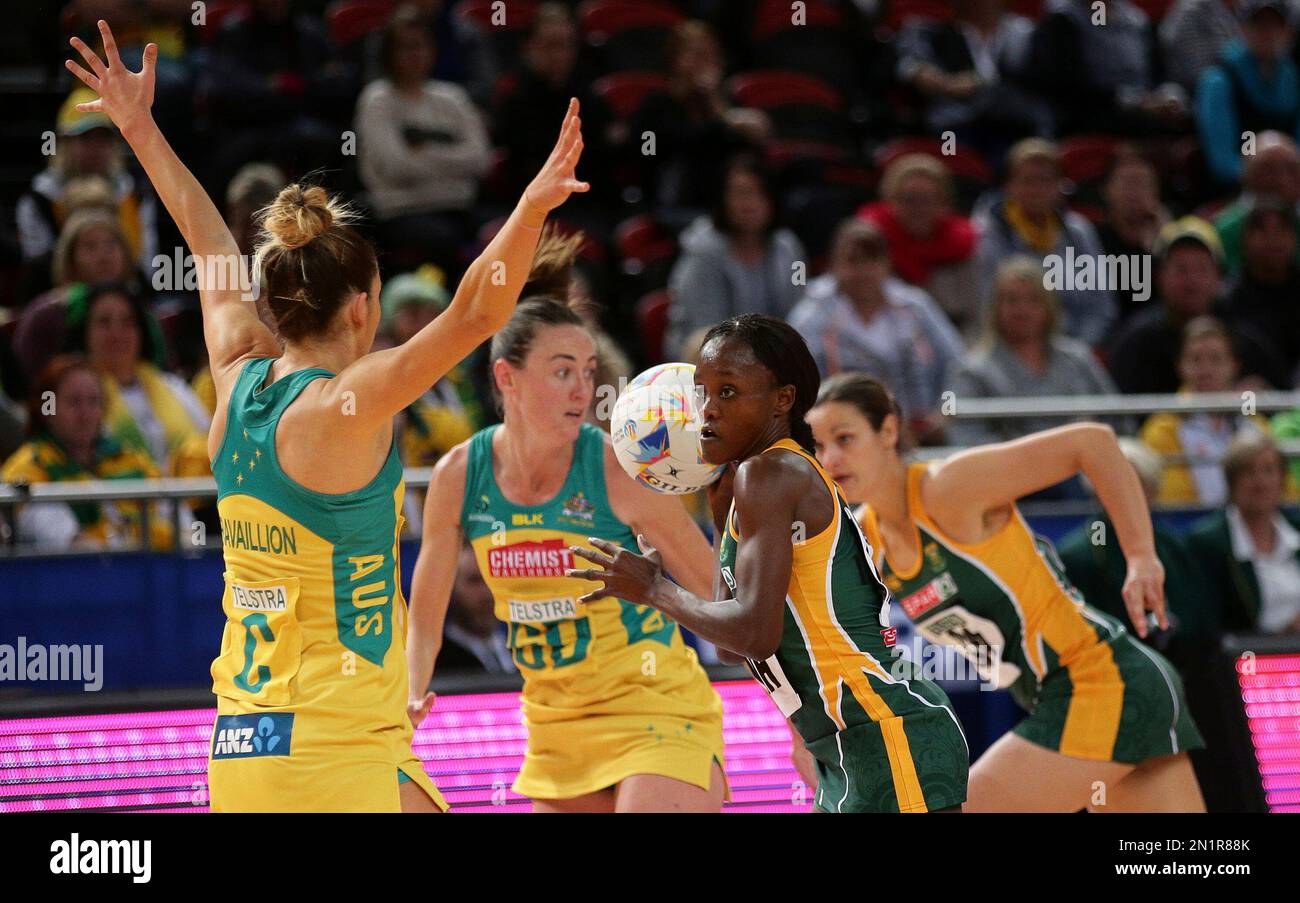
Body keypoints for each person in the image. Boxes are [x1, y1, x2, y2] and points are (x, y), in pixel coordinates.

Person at [65, 20, 588, 812]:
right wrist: (531, 204)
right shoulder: (349, 402)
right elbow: (478, 312)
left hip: (244, 748)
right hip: (332, 756)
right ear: (360, 309)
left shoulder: (237, 373)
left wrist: (138, 127)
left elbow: (207, 242)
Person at [568, 315, 970, 813]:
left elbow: (755, 633)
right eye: (702, 392)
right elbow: (734, 649)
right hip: (848, 745)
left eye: (729, 393)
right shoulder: (758, 482)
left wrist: (656, 590)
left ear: (782, 399)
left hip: (883, 732)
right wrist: (720, 524)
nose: (707, 411)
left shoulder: (771, 472)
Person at [407, 230, 727, 813]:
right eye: (562, 372)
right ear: (507, 378)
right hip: (554, 728)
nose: (583, 389)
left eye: (586, 370)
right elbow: (425, 619)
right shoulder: (460, 474)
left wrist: (797, 708)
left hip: (656, 709)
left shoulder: (613, 465)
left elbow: (720, 597)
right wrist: (406, 693)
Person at [806, 373, 1206, 812]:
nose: (832, 458)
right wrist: (802, 737)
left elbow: (1092, 442)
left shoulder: (947, 488)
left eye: (845, 438)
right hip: (1078, 693)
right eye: (820, 446)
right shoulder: (864, 540)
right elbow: (814, 635)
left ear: (888, 431)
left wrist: (1142, 555)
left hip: (1103, 679)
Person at [788, 218, 963, 446]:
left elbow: (957, 364)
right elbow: (795, 379)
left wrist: (945, 412)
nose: (863, 271)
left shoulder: (915, 306)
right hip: (835, 437)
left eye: (872, 259)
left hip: (919, 434)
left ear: (887, 263)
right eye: (853, 260)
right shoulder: (810, 314)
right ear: (834, 264)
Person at [355, 4, 491, 276]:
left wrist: (422, 152)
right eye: (406, 47)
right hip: (400, 213)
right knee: (442, 240)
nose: (415, 54)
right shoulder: (377, 99)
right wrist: (451, 159)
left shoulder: (452, 98)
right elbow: (396, 167)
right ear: (389, 53)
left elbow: (480, 159)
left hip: (459, 207)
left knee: (513, 230)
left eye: (421, 46)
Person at [0, 354, 173, 551]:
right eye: (74, 402)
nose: (85, 414)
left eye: (93, 402)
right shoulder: (26, 468)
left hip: (156, 571)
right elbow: (68, 541)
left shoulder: (131, 458)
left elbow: (180, 523)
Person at [950, 256, 1119, 448]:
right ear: (995, 308)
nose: (1023, 310)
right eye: (1012, 300)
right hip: (1009, 472)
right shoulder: (973, 370)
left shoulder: (1078, 359)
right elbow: (967, 439)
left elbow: (1117, 418)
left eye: (1033, 300)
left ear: (1049, 306)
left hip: (1085, 466)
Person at [1107, 217, 1290, 393]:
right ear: (1159, 276)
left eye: (1201, 269)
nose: (1191, 281)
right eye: (1181, 269)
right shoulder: (1135, 344)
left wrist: (1246, 405)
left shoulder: (1247, 340)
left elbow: (1280, 408)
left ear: (1218, 276)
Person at [974, 139, 1117, 346]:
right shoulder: (990, 235)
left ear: (1061, 186)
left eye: (1046, 180)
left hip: (1077, 347)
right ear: (1009, 186)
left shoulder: (1078, 231)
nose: (1037, 189)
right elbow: (989, 307)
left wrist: (1077, 350)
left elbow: (1102, 306)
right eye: (1028, 180)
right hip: (1014, 347)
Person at [664, 154, 806, 361]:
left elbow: (799, 316)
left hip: (773, 362)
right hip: (707, 362)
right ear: (722, 199)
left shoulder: (788, 248)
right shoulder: (703, 252)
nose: (751, 204)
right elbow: (703, 334)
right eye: (741, 194)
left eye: (760, 193)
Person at [1139, 317, 1274, 507]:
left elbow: (1280, 491)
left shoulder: (1255, 424)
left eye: (1216, 359)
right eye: (1195, 359)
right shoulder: (1160, 430)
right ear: (1180, 366)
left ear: (1234, 365)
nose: (1206, 369)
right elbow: (1170, 503)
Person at [1187, 431, 1300, 633]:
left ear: (1282, 479)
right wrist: (1283, 633)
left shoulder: (1296, 529)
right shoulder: (1208, 542)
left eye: (1269, 470)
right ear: (1232, 482)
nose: (1261, 482)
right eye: (1249, 472)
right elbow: (1206, 628)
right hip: (1249, 659)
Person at [857, 154, 980, 335]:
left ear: (944, 203)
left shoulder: (964, 248)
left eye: (927, 200)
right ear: (890, 201)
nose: (918, 209)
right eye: (909, 199)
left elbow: (975, 317)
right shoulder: (870, 246)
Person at [1196, 0, 1300, 188]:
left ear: (1288, 31)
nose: (1268, 33)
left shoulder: (1293, 79)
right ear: (1243, 29)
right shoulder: (1220, 80)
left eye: (1275, 25)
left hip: (1290, 193)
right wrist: (1267, 181)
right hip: (1236, 193)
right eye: (1259, 25)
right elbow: (1222, 160)